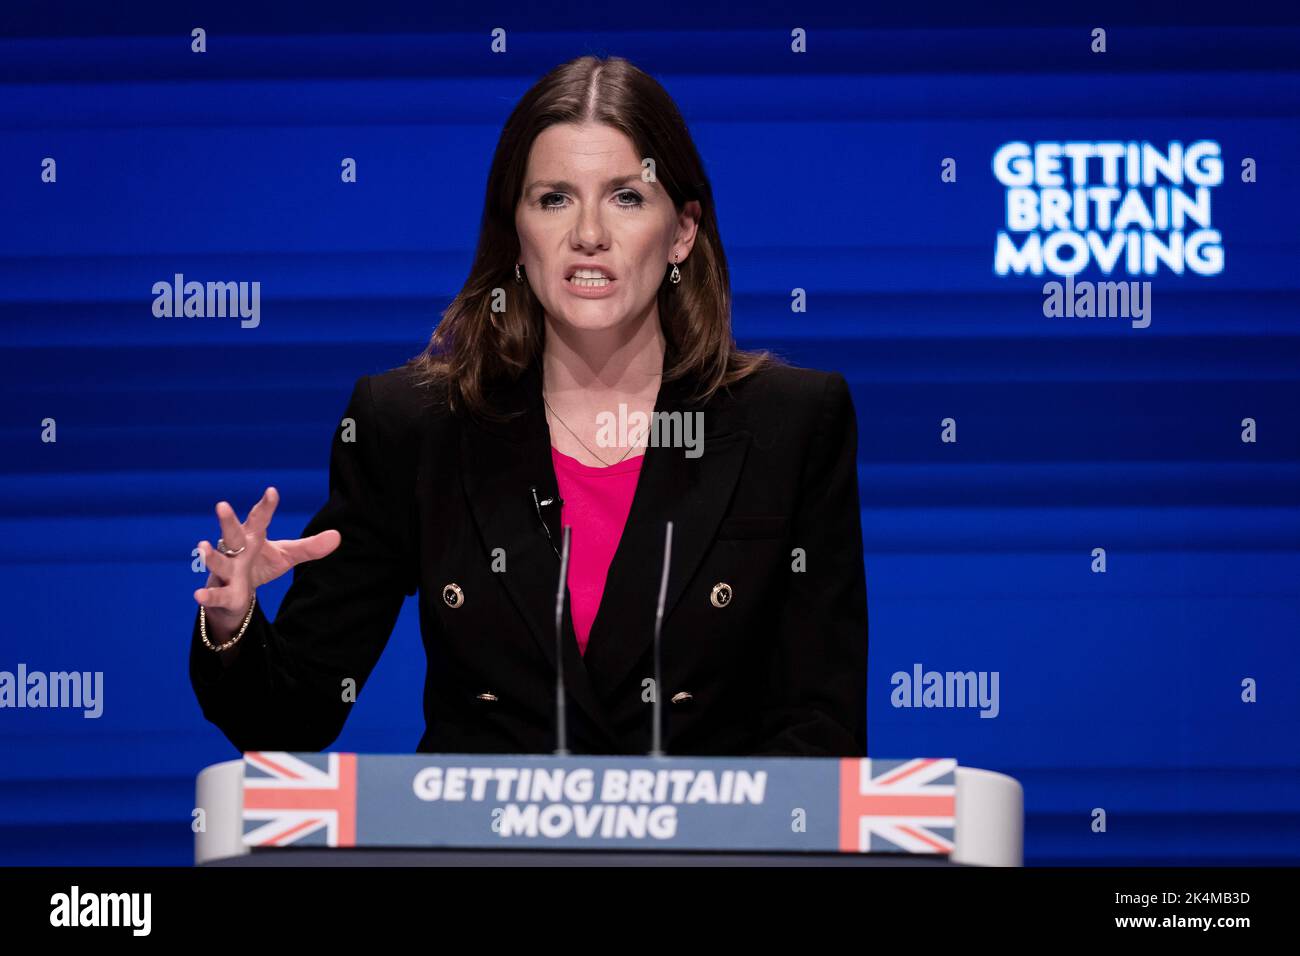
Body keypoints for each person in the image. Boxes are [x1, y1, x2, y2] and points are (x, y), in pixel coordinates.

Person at [190, 54, 868, 756]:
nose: (589, 235)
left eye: (626, 197)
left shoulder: (790, 425)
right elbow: (290, 718)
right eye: (554, 198)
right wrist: (234, 622)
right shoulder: (413, 428)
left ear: (683, 230)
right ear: (517, 231)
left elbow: (821, 731)